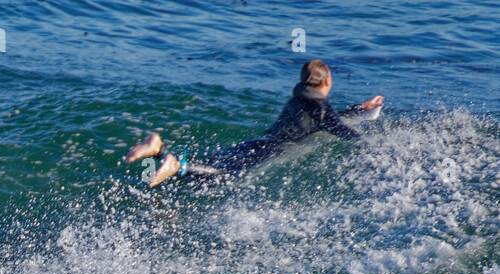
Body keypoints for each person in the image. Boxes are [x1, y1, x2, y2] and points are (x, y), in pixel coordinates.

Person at [124, 60, 384, 188]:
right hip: (268, 151)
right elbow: (339, 127)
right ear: (326, 83)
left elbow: (329, 118)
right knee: (222, 177)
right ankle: (171, 162)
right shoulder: (321, 108)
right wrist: (374, 145)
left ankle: (160, 151)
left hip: (257, 143)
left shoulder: (301, 98)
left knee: (209, 171)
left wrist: (360, 109)